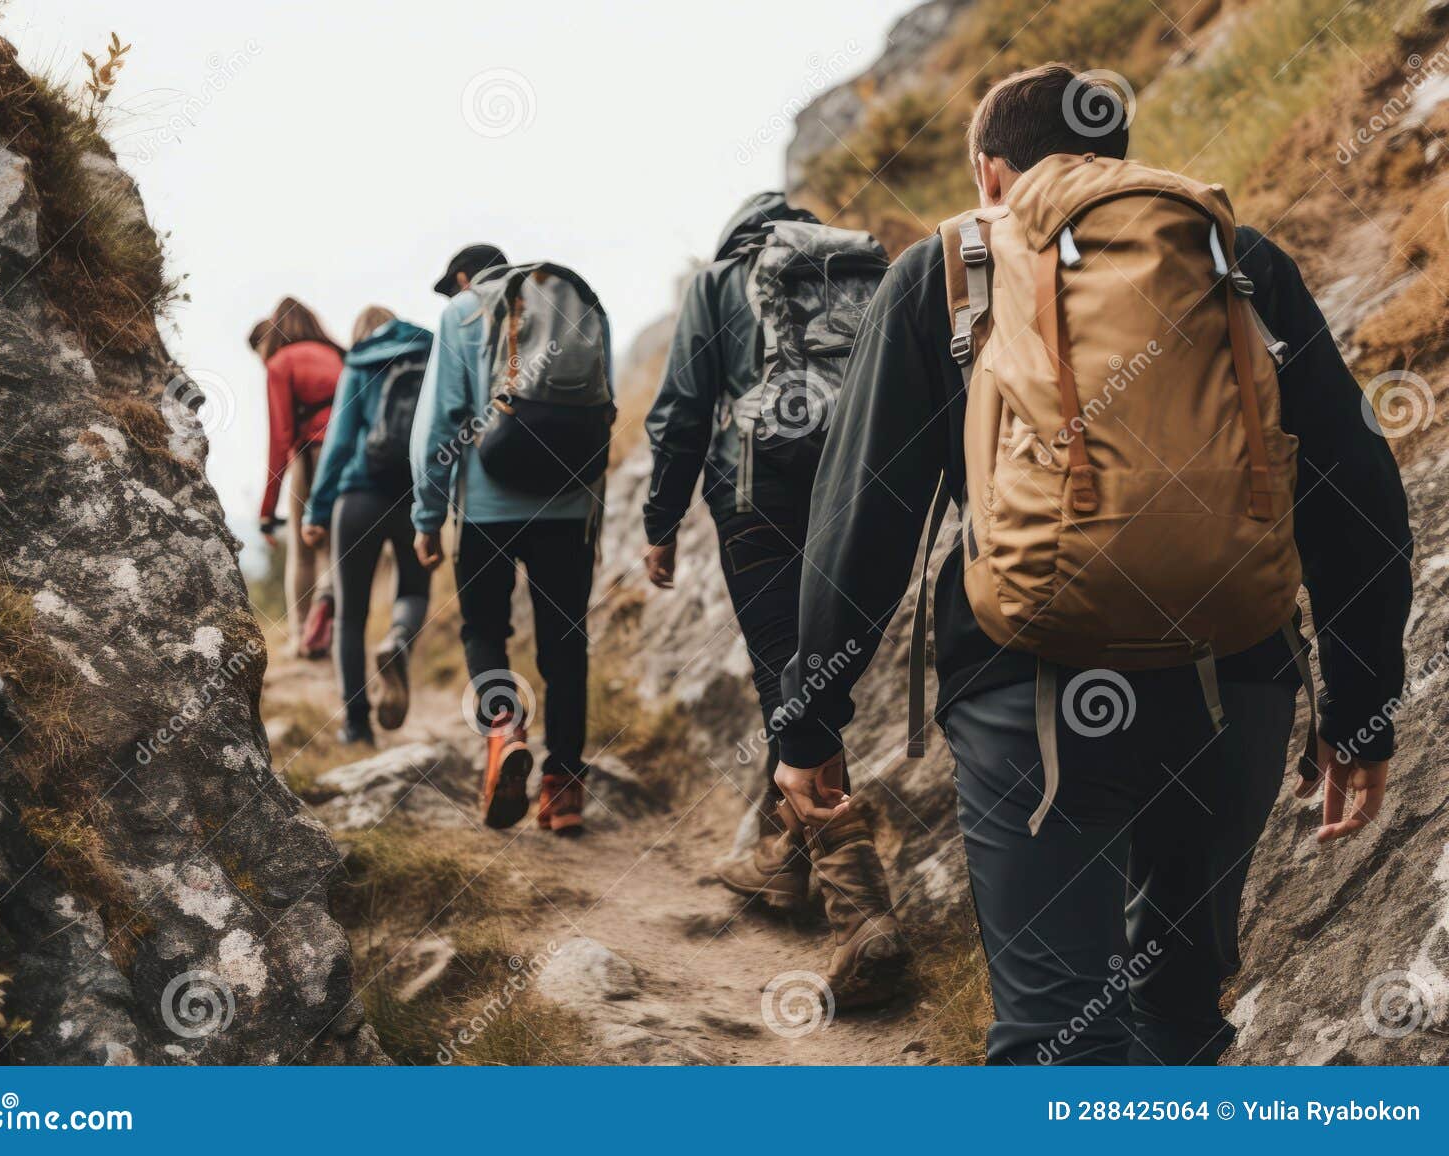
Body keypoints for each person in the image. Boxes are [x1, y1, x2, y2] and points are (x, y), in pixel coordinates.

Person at [772, 63, 1413, 1065]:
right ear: (1117, 160)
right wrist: (1361, 708)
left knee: (1055, 1029)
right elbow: (1355, 492)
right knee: (1180, 1008)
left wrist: (808, 719)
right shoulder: (1236, 260)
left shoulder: (946, 272)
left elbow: (865, 519)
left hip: (1031, 689)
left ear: (991, 173)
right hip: (1231, 680)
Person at [642, 192, 912, 1008]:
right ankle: (779, 867)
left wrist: (660, 523)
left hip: (756, 498)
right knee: (809, 675)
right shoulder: (860, 268)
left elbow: (683, 411)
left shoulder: (718, 281)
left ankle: (865, 920)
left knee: (789, 685)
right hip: (855, 493)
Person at [410, 244, 612, 836]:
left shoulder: (461, 314)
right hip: (570, 506)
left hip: (487, 510)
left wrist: (427, 516)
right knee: (566, 644)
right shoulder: (580, 303)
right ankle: (564, 791)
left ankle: (504, 729)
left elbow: (440, 423)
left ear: (468, 278)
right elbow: (601, 413)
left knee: (484, 631)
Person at [303, 306, 434, 745]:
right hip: (417, 496)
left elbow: (339, 442)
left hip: (360, 494)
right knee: (413, 589)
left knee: (350, 615)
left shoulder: (359, 361)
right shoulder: (431, 351)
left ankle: (356, 725)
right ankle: (398, 638)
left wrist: (316, 511)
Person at [252, 297, 345, 658]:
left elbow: (280, 438)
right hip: (351, 453)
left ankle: (301, 637)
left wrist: (266, 510)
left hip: (314, 454)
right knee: (332, 546)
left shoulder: (281, 363)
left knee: (302, 549)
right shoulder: (336, 355)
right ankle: (331, 627)